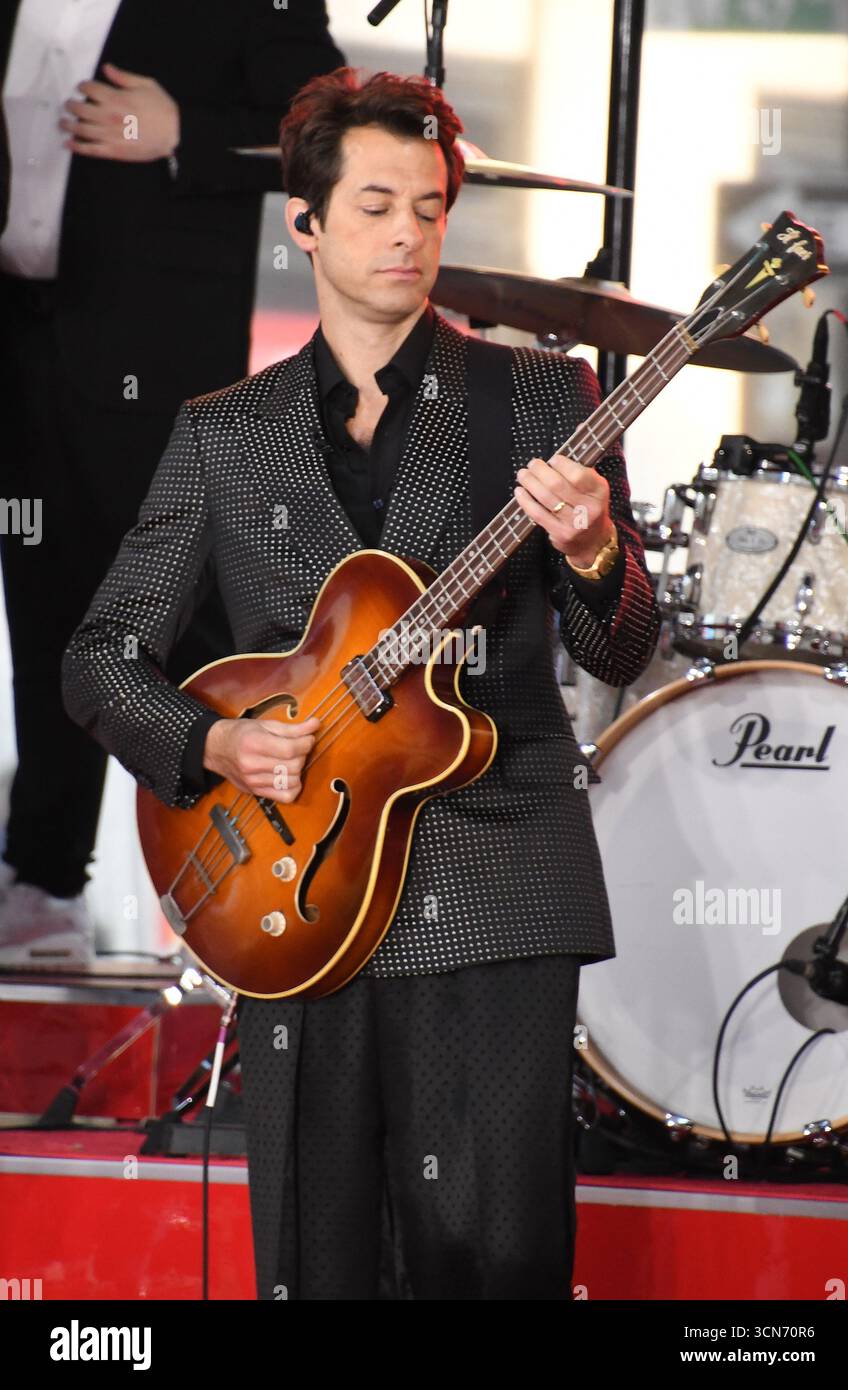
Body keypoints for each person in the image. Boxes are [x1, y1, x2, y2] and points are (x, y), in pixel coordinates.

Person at [62, 68, 660, 1300]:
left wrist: (598, 552)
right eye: (377, 203)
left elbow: (618, 649)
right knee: (315, 1255)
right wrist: (216, 749)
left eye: (431, 208)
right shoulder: (225, 430)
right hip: (293, 896)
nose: (408, 233)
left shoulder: (540, 397)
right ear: (307, 223)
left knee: (496, 1260)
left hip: (496, 884)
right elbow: (99, 657)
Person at [0, 0, 344, 969]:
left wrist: (187, 131)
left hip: (150, 355)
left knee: (187, 622)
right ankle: (42, 880)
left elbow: (329, 126)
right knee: (43, 604)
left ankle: (252, 887)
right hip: (20, 331)